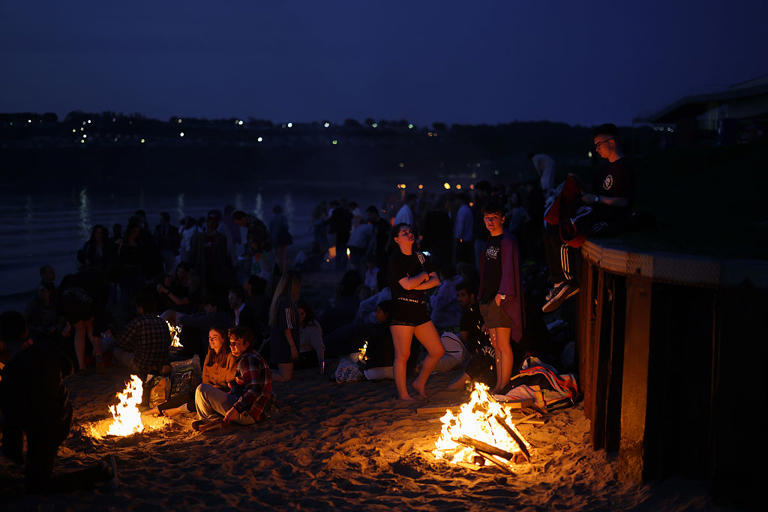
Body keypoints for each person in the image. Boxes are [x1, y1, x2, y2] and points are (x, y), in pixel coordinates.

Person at [0, 312, 115, 493]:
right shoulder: (45, 350)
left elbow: (11, 414)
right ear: (25, 332)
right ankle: (19, 458)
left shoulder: (11, 370)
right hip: (62, 415)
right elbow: (68, 367)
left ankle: (100, 472)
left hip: (45, 428)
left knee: (37, 485)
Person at [541, 123, 635, 313]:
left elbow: (624, 201)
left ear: (612, 142)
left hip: (610, 218)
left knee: (567, 235)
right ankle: (558, 282)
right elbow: (593, 192)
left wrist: (598, 199)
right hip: (595, 211)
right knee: (552, 227)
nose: (597, 149)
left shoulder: (625, 167)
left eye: (599, 144)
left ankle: (569, 281)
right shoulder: (603, 169)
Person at [387, 223, 444, 400]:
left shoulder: (420, 256)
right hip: (401, 312)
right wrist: (421, 277)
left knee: (437, 351)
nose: (409, 234)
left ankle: (419, 382)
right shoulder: (395, 259)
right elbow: (406, 284)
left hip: (420, 311)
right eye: (404, 233)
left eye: (410, 231)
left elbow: (436, 280)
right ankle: (403, 395)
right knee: (403, 355)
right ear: (396, 239)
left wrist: (417, 285)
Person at [477, 203, 524, 393]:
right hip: (488, 300)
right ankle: (498, 384)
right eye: (487, 217)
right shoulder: (490, 242)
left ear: (502, 219)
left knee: (503, 344)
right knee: (495, 344)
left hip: (500, 300)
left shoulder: (507, 241)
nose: (490, 221)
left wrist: (501, 294)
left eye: (494, 217)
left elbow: (509, 271)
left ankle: (503, 385)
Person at [193, 326, 272, 428]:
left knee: (202, 389)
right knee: (202, 391)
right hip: (244, 407)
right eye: (231, 343)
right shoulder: (247, 357)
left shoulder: (248, 360)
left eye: (236, 343)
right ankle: (211, 420)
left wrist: (235, 409)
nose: (232, 347)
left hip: (248, 412)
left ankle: (209, 421)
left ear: (246, 344)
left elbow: (254, 389)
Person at [109, 288, 171, 380]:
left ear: (140, 308)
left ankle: (118, 376)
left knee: (116, 351)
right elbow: (168, 343)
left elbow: (122, 342)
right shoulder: (162, 322)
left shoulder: (138, 322)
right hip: (161, 365)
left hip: (142, 365)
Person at [447, 281, 496, 390]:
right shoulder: (484, 309)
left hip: (483, 351)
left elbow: (464, 337)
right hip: (485, 351)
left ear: (472, 296)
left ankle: (462, 381)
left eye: (463, 295)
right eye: (458, 295)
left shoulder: (468, 314)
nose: (459, 299)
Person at [268, 270, 301, 382]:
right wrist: (292, 347)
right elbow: (287, 326)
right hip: (284, 345)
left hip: (281, 343)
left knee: (286, 374)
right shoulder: (286, 302)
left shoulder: (280, 301)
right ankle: (258, 375)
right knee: (285, 377)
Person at [296, 300, 324, 370]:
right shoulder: (292, 325)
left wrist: (321, 365)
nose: (299, 317)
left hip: (306, 357)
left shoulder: (312, 327)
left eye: (302, 314)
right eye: (297, 314)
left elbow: (319, 347)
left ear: (306, 313)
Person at [269, 205, 292, 274]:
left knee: (277, 256)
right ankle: (283, 270)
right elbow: (287, 227)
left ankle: (279, 270)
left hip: (275, 239)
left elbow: (271, 230)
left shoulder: (272, 219)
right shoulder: (283, 218)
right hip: (283, 239)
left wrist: (271, 240)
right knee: (284, 255)